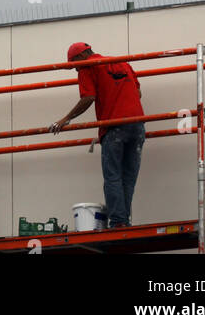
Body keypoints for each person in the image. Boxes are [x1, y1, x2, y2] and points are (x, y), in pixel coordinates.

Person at [49, 41, 145, 229]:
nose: (76, 70)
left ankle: (118, 222)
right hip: (137, 126)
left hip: (113, 127)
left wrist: (65, 119)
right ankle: (123, 220)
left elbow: (88, 97)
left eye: (74, 65)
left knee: (113, 177)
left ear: (80, 57)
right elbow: (138, 92)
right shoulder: (123, 63)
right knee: (128, 177)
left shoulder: (87, 67)